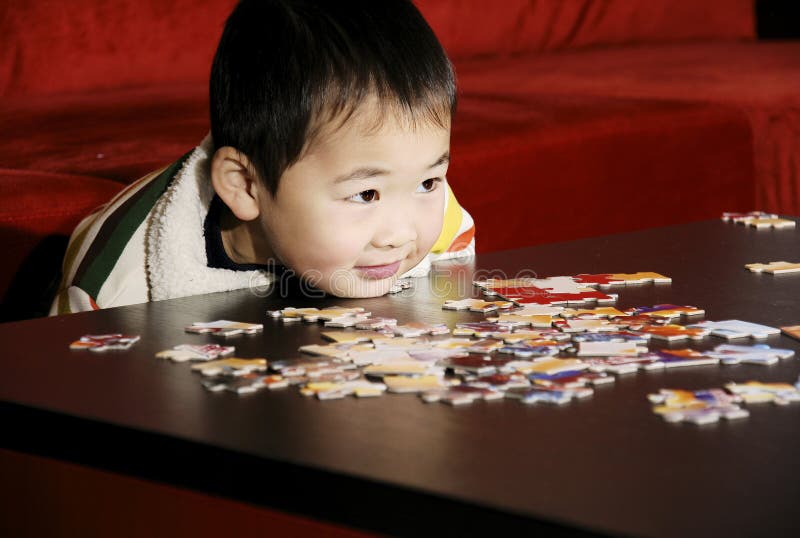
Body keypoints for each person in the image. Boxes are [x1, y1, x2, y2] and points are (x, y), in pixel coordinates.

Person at [50, 0, 475, 315]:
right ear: (246, 186)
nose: (400, 235)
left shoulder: (437, 218)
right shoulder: (114, 288)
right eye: (366, 194)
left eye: (428, 182)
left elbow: (444, 314)